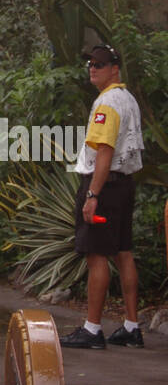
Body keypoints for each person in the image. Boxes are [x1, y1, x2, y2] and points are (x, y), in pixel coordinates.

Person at [59, 44, 145, 349]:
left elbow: (105, 151)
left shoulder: (107, 103)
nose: (92, 68)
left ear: (114, 69)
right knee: (123, 252)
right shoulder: (128, 99)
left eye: (100, 64)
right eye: (90, 64)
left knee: (97, 255)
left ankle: (92, 330)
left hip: (105, 186)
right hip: (125, 185)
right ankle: (132, 327)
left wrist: (92, 193)